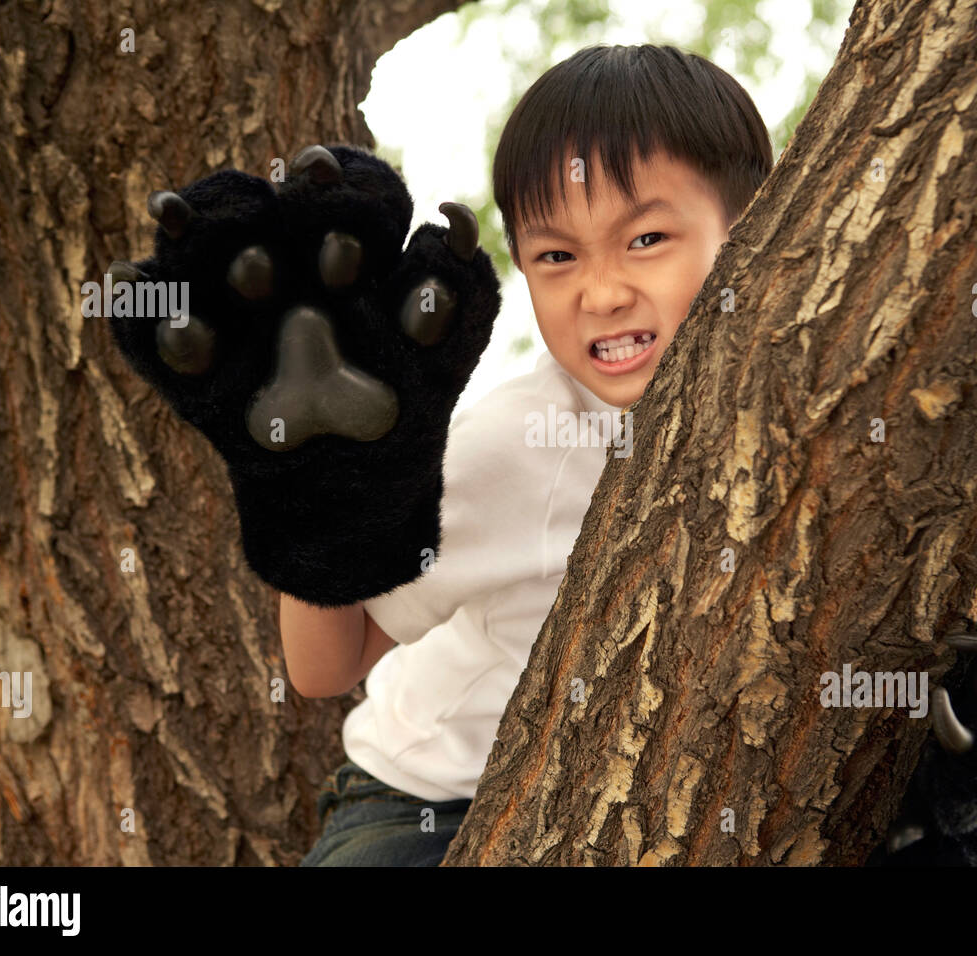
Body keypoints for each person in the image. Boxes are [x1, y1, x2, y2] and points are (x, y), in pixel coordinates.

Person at [292, 43, 774, 866]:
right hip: (421, 816)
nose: (602, 291)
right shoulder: (517, 444)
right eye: (558, 256)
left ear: (754, 230)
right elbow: (323, 665)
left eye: (647, 237)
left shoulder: (793, 414)